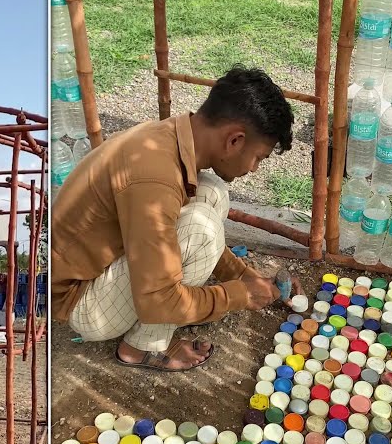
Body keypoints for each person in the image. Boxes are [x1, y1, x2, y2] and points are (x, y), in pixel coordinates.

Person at [51, 65, 299, 372]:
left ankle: (167, 318)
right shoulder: (154, 177)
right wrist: (240, 295)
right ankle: (141, 347)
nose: (253, 168)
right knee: (202, 229)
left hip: (102, 262)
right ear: (234, 140)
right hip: (81, 302)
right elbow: (158, 301)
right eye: (258, 157)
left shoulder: (170, 137)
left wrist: (243, 276)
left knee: (212, 192)